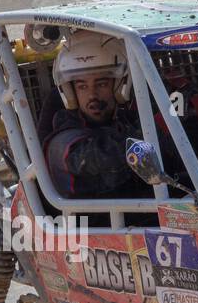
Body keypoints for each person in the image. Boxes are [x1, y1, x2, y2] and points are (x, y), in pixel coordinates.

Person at [43, 30, 147, 200]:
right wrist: (159, 128)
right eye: (82, 86)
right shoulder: (64, 142)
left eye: (102, 84)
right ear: (71, 92)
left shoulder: (121, 122)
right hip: (90, 225)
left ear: (120, 85)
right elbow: (108, 159)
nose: (92, 95)